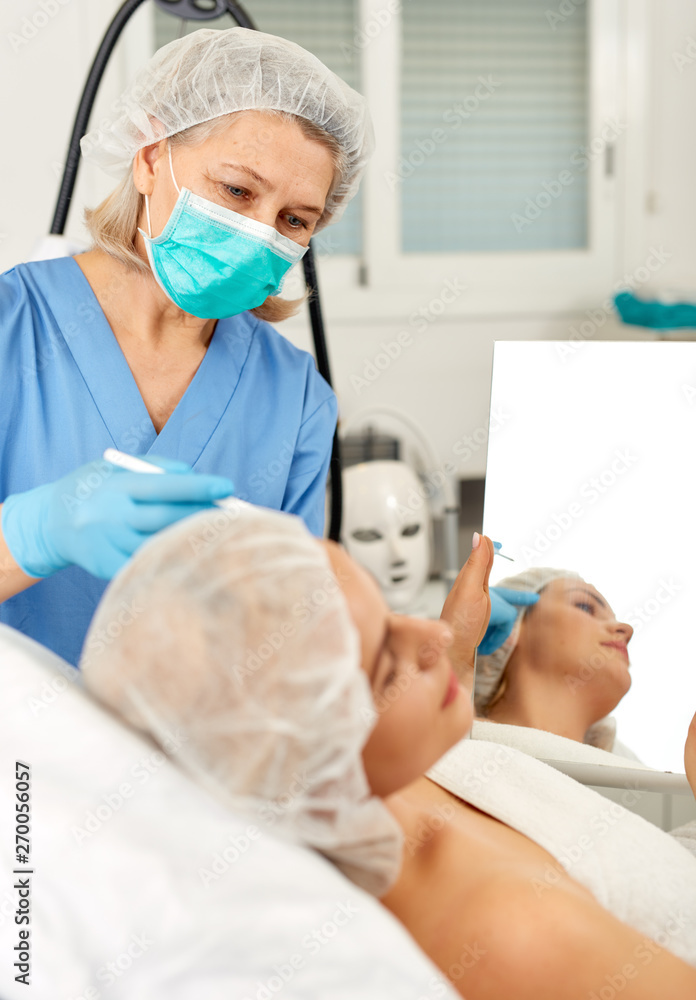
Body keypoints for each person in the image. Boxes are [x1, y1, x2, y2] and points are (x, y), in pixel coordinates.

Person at [81, 503, 696, 1000]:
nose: (431, 633)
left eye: (392, 614)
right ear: (306, 750)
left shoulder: (395, 776)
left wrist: (454, 649)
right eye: (384, 661)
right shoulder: (509, 934)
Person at [0, 27, 371, 665]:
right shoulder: (14, 327)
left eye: (294, 220)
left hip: (197, 765)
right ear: (149, 157)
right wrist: (35, 532)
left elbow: (290, 649)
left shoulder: (296, 396)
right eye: (237, 190)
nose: (260, 235)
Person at [474, 567, 635, 752]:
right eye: (585, 606)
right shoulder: (446, 746)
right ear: (511, 629)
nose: (626, 629)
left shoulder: (640, 777)